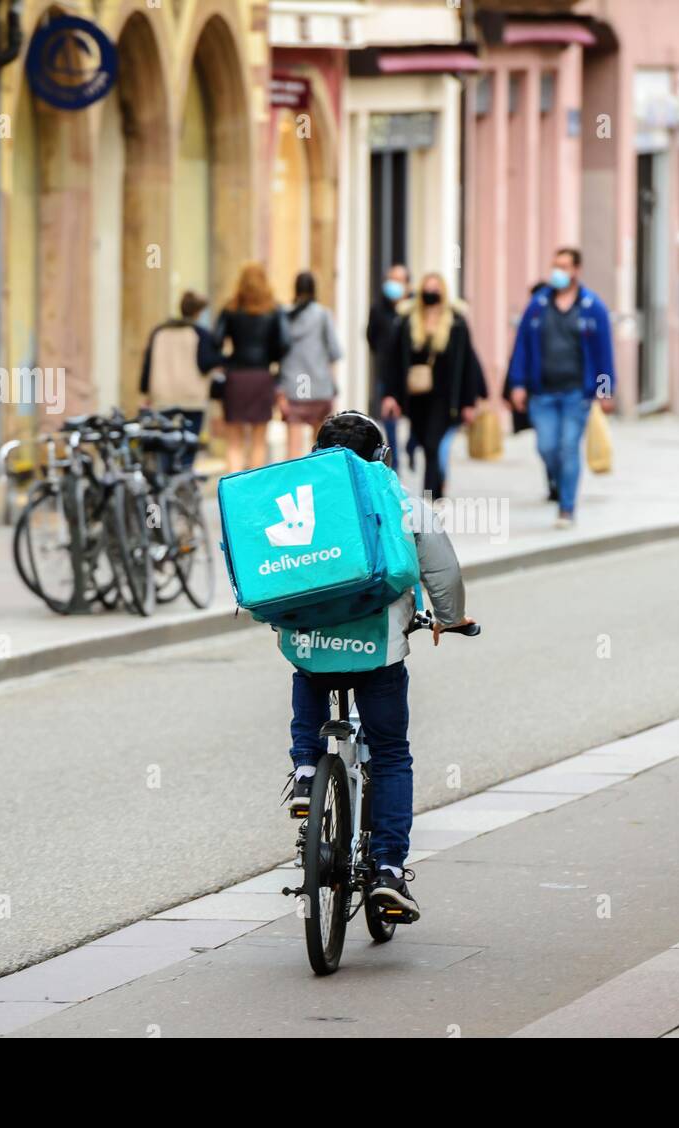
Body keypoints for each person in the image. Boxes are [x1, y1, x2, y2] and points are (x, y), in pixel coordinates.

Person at [284, 410, 475, 919]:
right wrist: (450, 619)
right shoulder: (401, 502)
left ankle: (306, 770)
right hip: (379, 650)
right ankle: (388, 870)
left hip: (313, 640)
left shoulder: (299, 500)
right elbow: (441, 566)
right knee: (390, 753)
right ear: (381, 458)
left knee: (309, 672)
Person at [506, 247, 615, 530]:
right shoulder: (538, 306)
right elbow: (521, 348)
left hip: (576, 394)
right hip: (542, 393)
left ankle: (566, 507)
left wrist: (604, 391)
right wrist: (517, 384)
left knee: (568, 447)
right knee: (546, 446)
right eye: (555, 265)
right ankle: (558, 481)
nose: (558, 272)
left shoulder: (593, 307)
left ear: (576, 270)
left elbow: (604, 353)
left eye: (564, 266)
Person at [380, 272, 486, 502]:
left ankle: (429, 496)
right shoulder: (408, 321)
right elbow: (394, 362)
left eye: (435, 289)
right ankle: (436, 491)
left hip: (445, 396)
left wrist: (469, 401)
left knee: (432, 444)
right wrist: (390, 395)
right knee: (422, 441)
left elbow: (468, 363)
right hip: (416, 396)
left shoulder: (456, 322)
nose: (431, 294)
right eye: (426, 288)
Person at [212, 262, 287, 473]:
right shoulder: (274, 309)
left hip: (236, 377)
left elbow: (216, 341)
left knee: (234, 442)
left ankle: (233, 494)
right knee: (259, 440)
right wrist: (271, 357)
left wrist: (227, 360)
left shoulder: (230, 308)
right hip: (262, 376)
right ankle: (253, 497)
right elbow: (285, 342)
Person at [138, 290, 222, 467]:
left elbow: (148, 364)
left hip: (163, 396)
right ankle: (183, 477)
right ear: (198, 312)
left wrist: (145, 389)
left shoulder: (160, 332)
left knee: (165, 442)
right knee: (189, 442)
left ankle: (167, 477)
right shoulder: (200, 333)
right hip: (191, 397)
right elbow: (205, 363)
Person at [277, 271, 342, 460]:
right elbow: (334, 352)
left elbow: (279, 354)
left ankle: (295, 486)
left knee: (293, 452)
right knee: (321, 449)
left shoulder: (285, 315)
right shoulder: (323, 315)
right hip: (319, 388)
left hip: (295, 388)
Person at [366, 264, 410, 469]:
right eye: (391, 279)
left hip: (411, 374)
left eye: (399, 280)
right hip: (387, 371)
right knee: (389, 417)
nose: (394, 284)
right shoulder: (379, 309)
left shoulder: (413, 309)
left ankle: (412, 444)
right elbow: (371, 337)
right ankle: (395, 460)